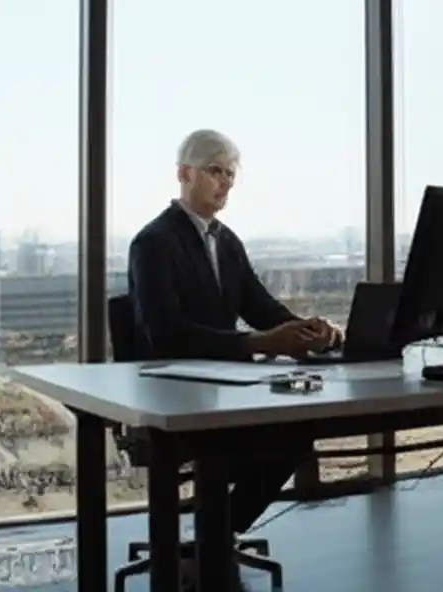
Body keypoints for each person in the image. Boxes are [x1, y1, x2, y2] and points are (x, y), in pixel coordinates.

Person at [128, 129, 342, 588]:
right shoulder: (153, 242)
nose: (224, 183)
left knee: (299, 430)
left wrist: (307, 330)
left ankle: (218, 531)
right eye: (214, 171)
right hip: (176, 394)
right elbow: (166, 334)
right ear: (184, 173)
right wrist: (259, 343)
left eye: (229, 174)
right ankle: (213, 535)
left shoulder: (226, 242)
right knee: (274, 436)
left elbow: (261, 308)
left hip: (226, 388)